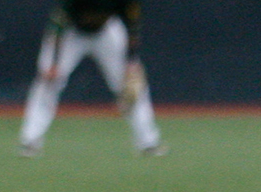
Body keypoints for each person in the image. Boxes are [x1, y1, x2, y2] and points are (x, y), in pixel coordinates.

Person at [18, 0, 167, 158]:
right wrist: (54, 64)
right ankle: (30, 140)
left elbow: (133, 26)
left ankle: (148, 142)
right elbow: (58, 25)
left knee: (132, 84)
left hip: (106, 32)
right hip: (71, 33)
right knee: (48, 83)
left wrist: (131, 61)